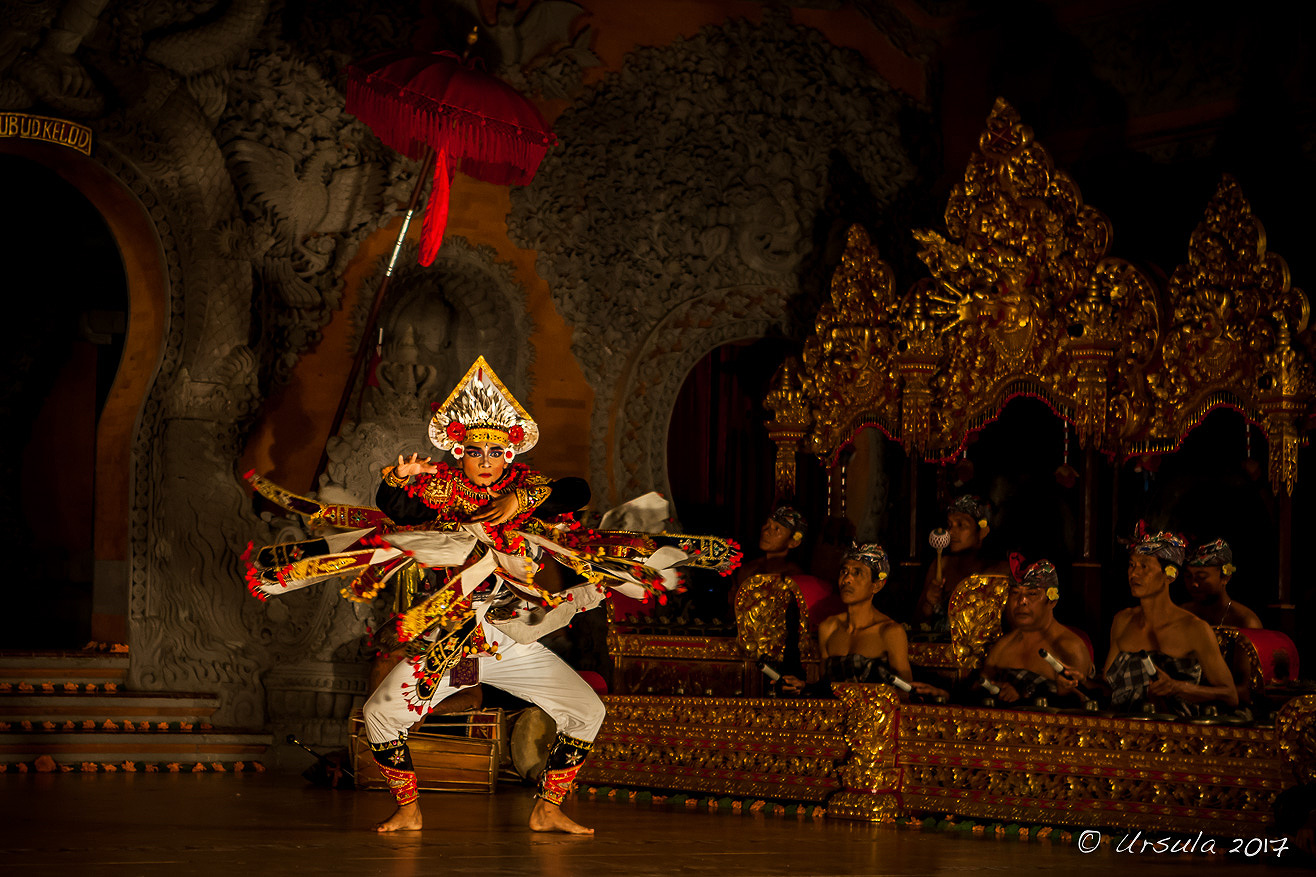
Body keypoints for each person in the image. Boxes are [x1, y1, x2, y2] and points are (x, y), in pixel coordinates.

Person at [242, 357, 738, 834]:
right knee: (378, 717)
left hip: (513, 642)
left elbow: (577, 490)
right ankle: (409, 809)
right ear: (461, 452)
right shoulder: (445, 492)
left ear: (510, 452)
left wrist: (519, 500)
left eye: (495, 451)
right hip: (453, 643)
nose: (485, 461)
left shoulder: (528, 490)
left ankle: (547, 809)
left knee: (587, 711)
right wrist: (400, 480)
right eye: (476, 451)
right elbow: (399, 512)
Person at [1102, 523, 1238, 714]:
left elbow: (1230, 695)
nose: (1134, 574)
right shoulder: (1122, 620)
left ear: (1169, 575)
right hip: (1121, 732)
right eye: (1132, 565)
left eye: (1144, 566)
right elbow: (1107, 686)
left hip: (1175, 735)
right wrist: (1078, 681)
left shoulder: (1195, 629)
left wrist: (1178, 687)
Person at [782, 544, 937, 698]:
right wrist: (803, 687)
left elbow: (904, 693)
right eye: (844, 571)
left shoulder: (889, 632)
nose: (847, 579)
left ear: (876, 585)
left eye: (858, 573)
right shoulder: (828, 628)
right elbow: (825, 689)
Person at [980, 554, 1092, 704]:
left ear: (1052, 601)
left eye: (1032, 593)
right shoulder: (1002, 647)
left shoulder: (1070, 648)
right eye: (1015, 593)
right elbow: (979, 689)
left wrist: (1025, 695)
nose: (1022, 601)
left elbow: (1078, 705)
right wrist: (998, 688)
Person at [914, 495, 991, 627]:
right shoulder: (941, 564)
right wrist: (929, 603)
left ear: (982, 532)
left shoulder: (998, 570)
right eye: (950, 525)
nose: (951, 531)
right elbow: (918, 621)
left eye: (961, 525)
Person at [730, 505, 807, 608]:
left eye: (777, 529)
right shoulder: (748, 568)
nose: (766, 532)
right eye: (767, 524)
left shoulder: (794, 576)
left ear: (794, 542)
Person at [1183, 539, 1262, 629]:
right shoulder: (1182, 614)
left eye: (1201, 577)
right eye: (1188, 576)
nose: (1194, 584)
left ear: (1225, 577)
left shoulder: (1245, 621)